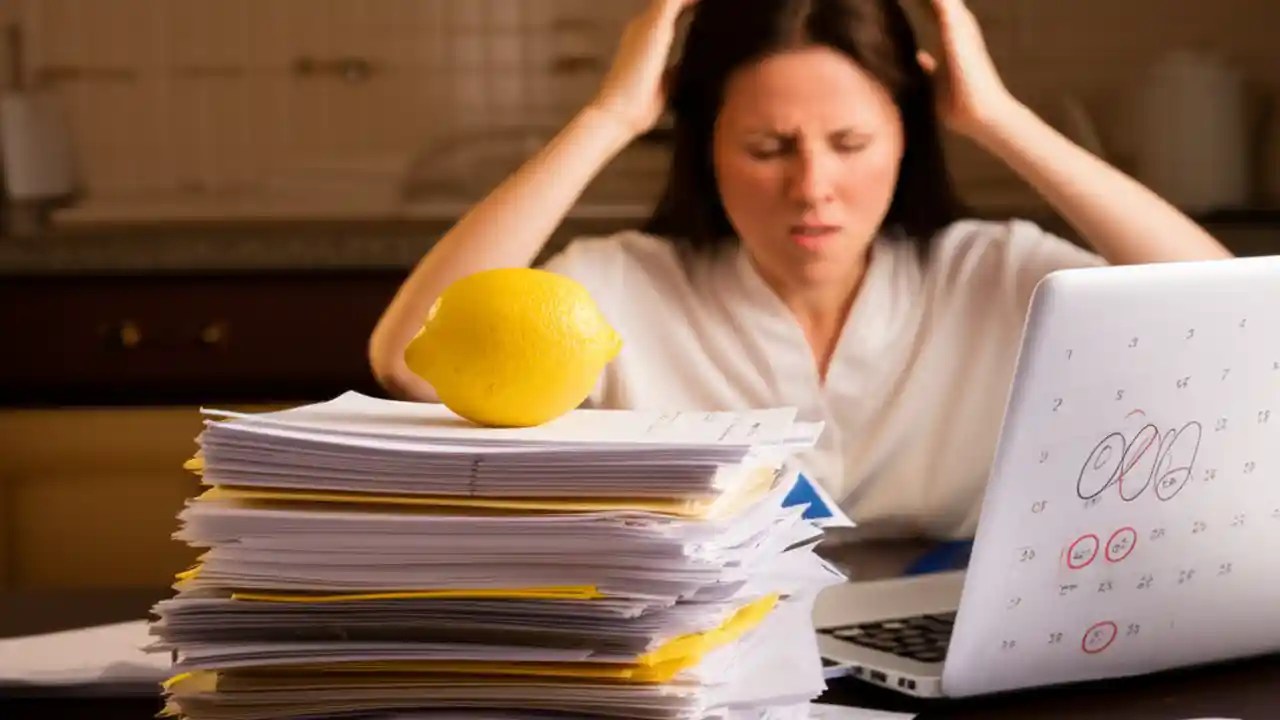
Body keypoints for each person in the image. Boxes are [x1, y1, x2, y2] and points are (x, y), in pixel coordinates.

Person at [370, 0, 1232, 540]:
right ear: (705, 145)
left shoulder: (992, 272)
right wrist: (611, 113)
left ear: (909, 134)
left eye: (851, 144)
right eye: (767, 147)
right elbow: (412, 359)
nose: (813, 187)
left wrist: (997, 117)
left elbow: (1228, 316)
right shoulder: (623, 287)